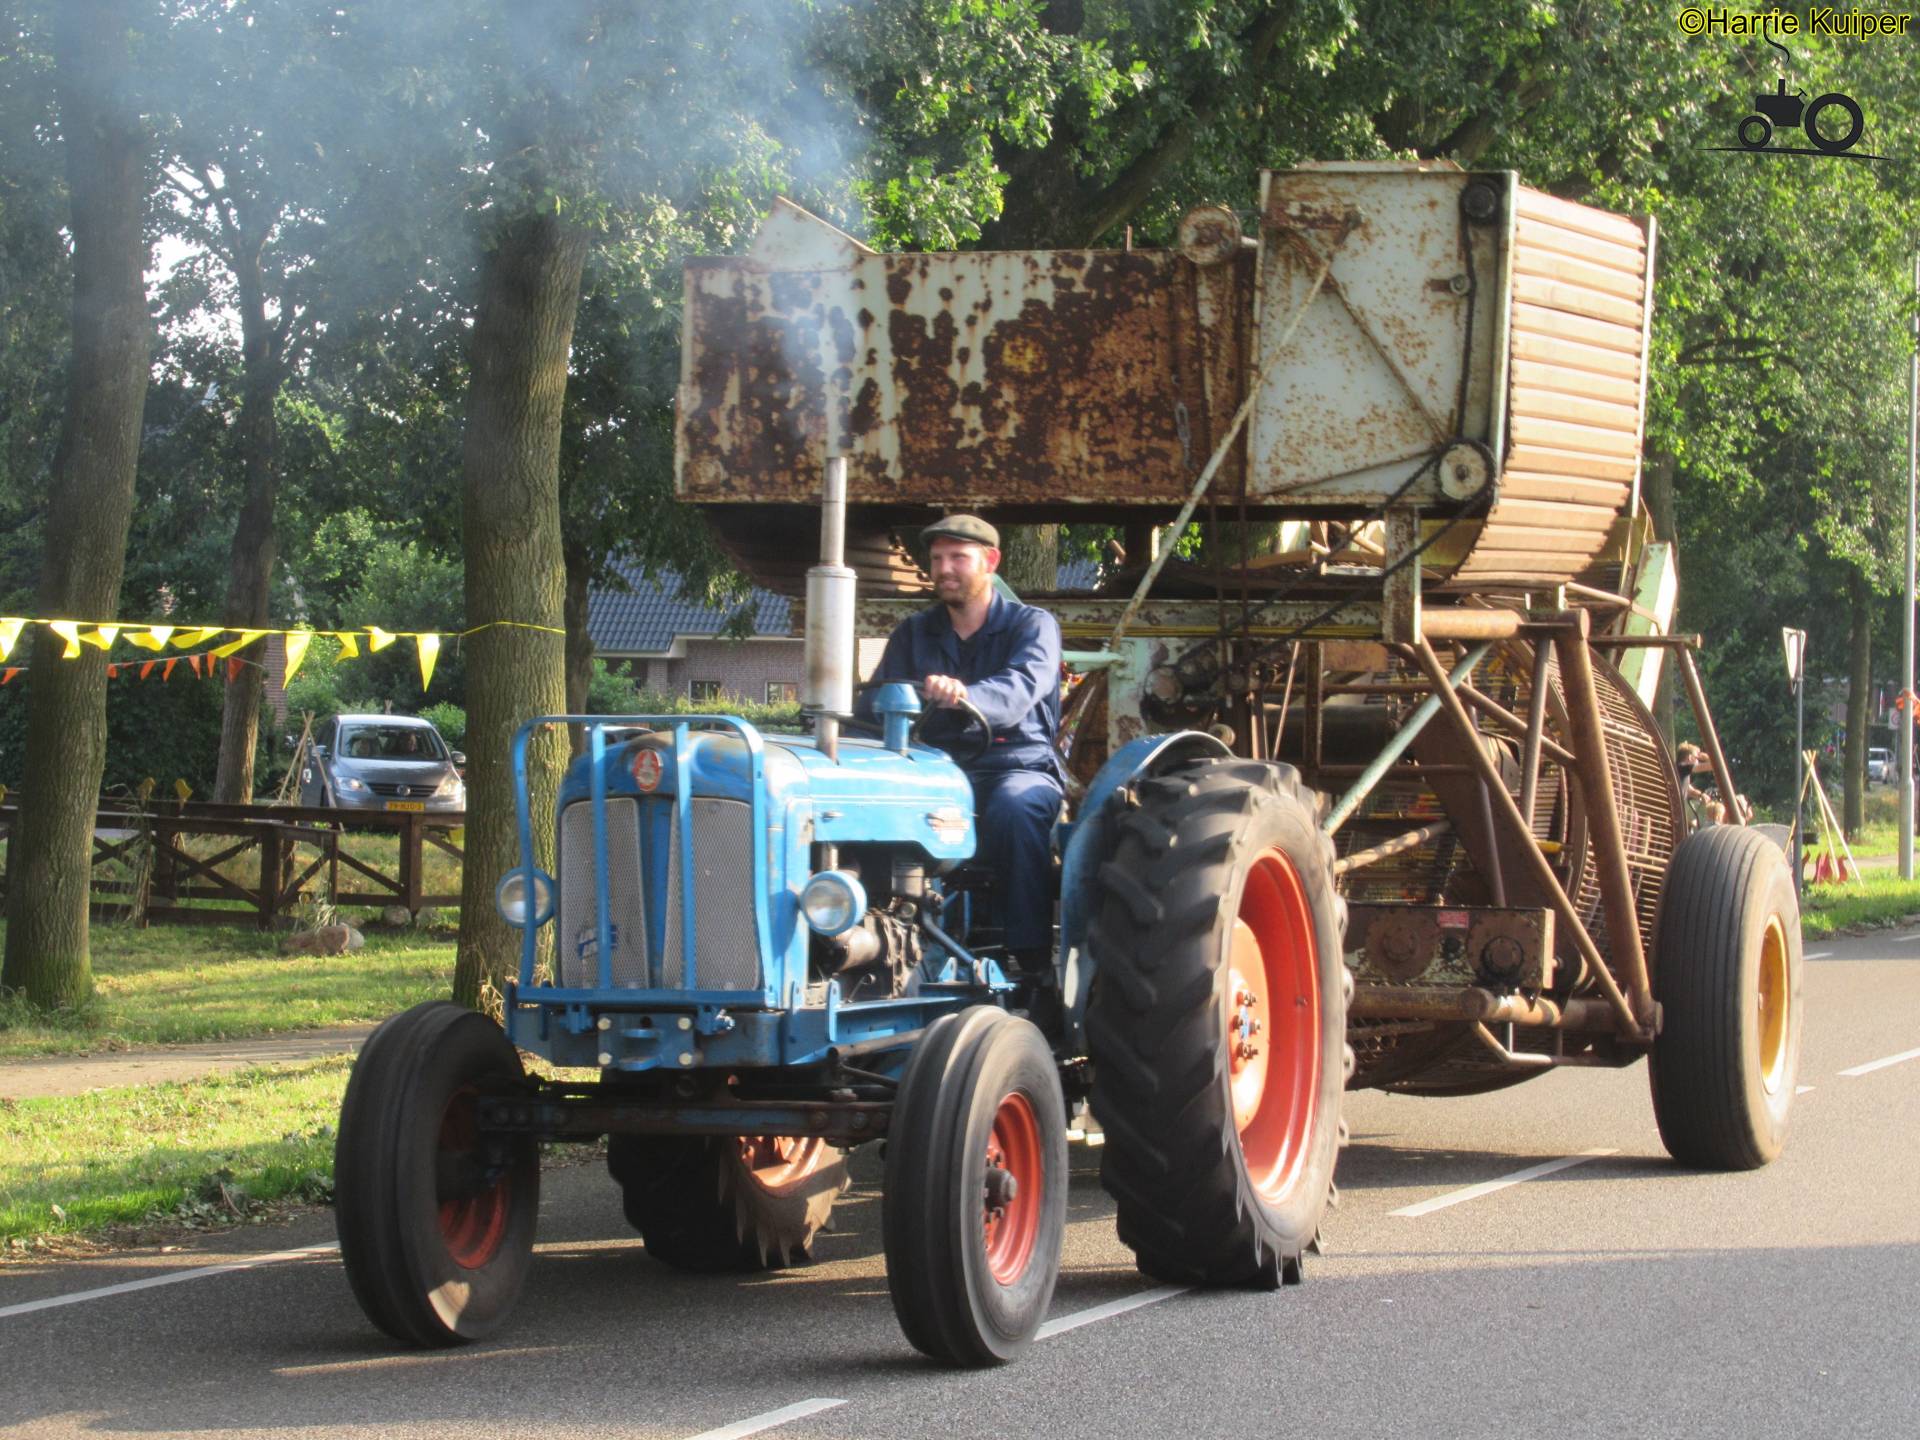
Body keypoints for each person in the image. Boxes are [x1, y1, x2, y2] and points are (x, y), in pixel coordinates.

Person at [864, 514, 1066, 1019]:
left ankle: (1031, 967)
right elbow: (876, 703)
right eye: (937, 559)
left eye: (958, 558)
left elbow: (1019, 689)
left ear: (990, 562)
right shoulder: (914, 632)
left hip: (1015, 766)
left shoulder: (1032, 626)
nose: (945, 569)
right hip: (933, 772)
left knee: (1015, 810)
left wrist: (965, 695)